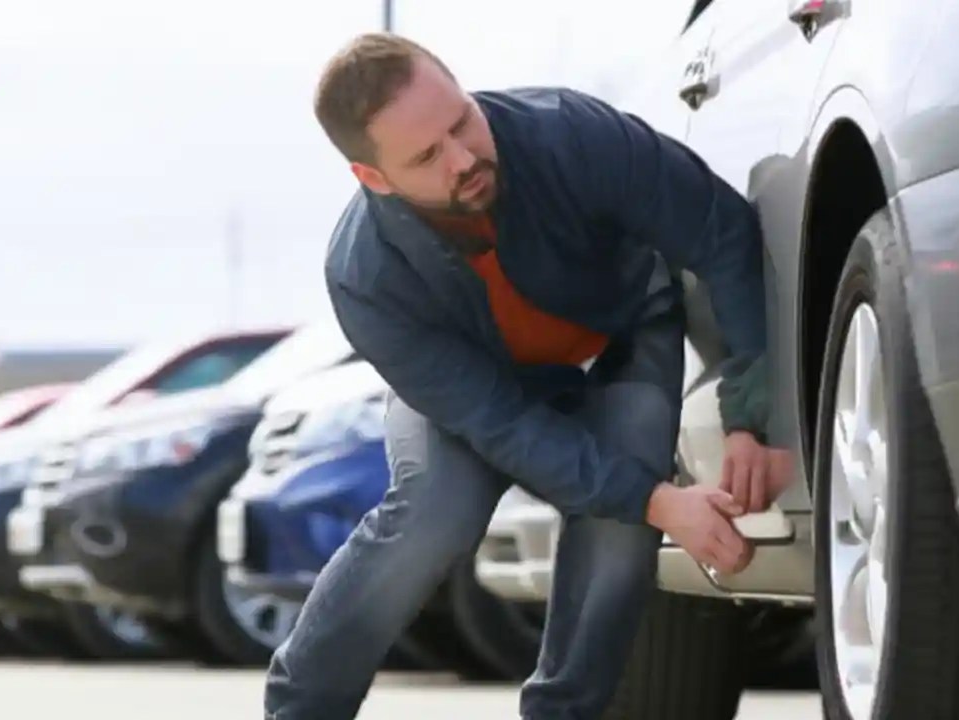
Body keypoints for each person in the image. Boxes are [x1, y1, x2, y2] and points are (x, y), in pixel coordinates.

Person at [263, 33, 789, 720]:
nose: (464, 157)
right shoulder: (365, 279)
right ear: (376, 179)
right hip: (482, 390)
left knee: (620, 515)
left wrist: (750, 412)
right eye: (427, 155)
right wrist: (662, 503)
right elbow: (501, 426)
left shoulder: (574, 136)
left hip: (619, 341)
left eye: (461, 121)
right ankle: (301, 708)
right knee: (433, 511)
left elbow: (721, 232)